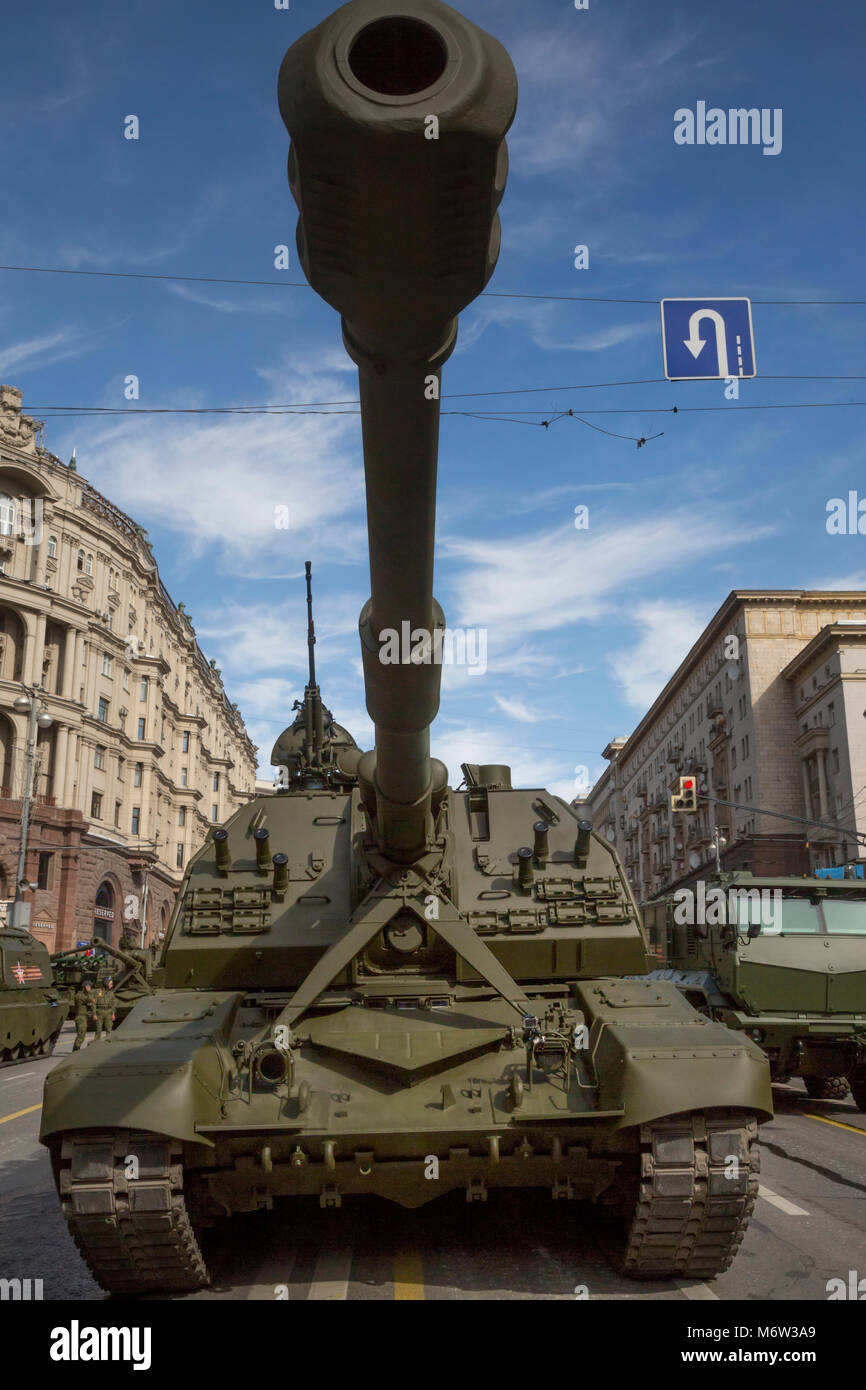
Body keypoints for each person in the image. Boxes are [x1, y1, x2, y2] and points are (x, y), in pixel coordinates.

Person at [72, 981, 95, 1051]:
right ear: (85, 987)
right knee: (81, 1035)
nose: (89, 988)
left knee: (81, 1035)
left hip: (82, 1017)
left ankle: (76, 1050)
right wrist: (90, 992)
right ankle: (76, 1050)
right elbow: (91, 1000)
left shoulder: (82, 995)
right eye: (88, 986)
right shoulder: (80, 996)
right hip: (81, 1017)